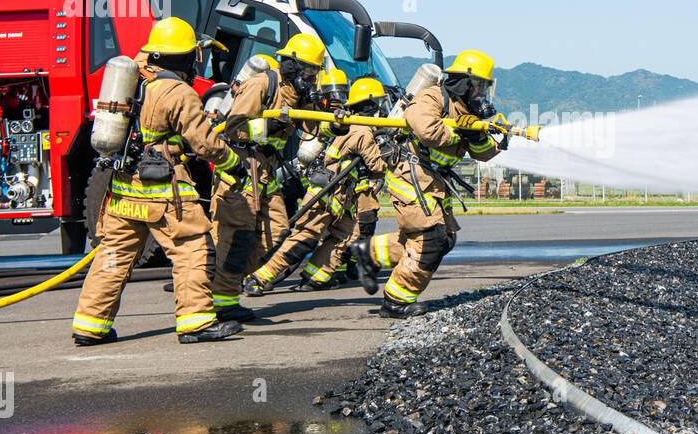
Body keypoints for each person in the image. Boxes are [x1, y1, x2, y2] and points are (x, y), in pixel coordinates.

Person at [71, 17, 244, 345]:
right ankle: (196, 322)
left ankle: (90, 325)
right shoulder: (177, 92)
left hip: (123, 188)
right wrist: (232, 163)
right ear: (182, 57)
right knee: (192, 247)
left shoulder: (133, 76)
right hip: (162, 190)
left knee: (114, 253)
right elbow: (204, 142)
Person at [351, 50, 501, 317]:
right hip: (410, 175)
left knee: (443, 240)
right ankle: (396, 300)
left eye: (484, 88)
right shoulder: (433, 96)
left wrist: (477, 136)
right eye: (478, 86)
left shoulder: (468, 111)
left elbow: (485, 152)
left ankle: (369, 253)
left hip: (433, 181)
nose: (481, 94)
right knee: (431, 239)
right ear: (465, 83)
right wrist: (460, 132)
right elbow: (426, 130)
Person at [209, 32, 325, 321]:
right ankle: (221, 301)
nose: (310, 78)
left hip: (265, 169)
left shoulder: (298, 95)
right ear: (292, 65)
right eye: (308, 71)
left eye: (314, 73)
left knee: (277, 228)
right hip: (243, 164)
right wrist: (269, 126)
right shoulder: (262, 83)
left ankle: (226, 286)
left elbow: (313, 130)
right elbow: (233, 128)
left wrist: (331, 119)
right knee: (237, 236)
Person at [243, 71, 387, 293]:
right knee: (304, 238)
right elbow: (376, 166)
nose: (378, 108)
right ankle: (260, 278)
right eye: (376, 102)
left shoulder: (355, 125)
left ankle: (316, 276)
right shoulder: (361, 130)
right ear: (368, 104)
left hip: (340, 196)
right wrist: (388, 151)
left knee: (348, 235)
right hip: (327, 193)